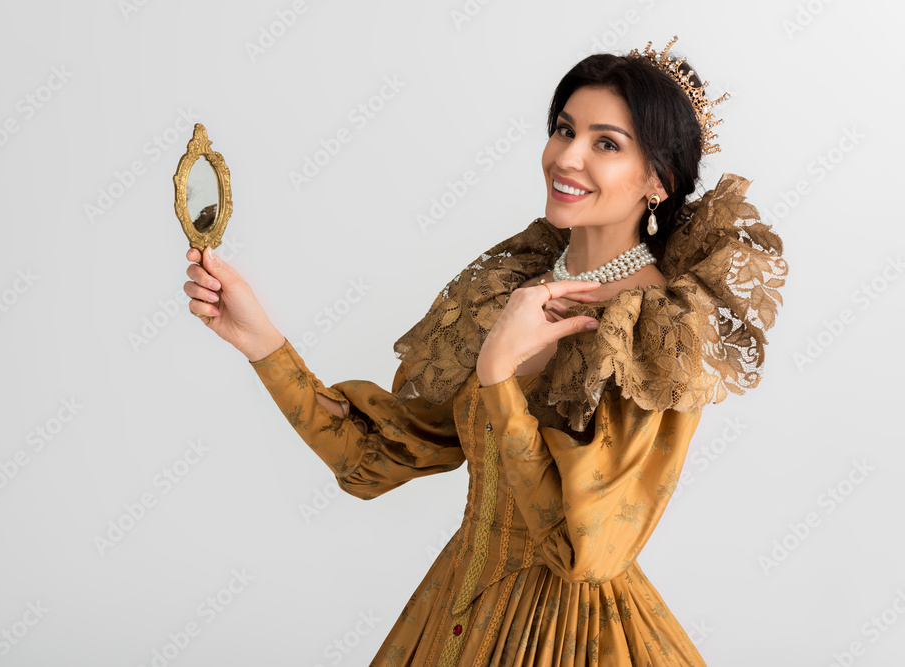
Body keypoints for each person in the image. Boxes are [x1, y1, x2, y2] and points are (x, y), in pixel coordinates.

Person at [182, 37, 788, 666]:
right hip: (454, 610)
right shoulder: (512, 287)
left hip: (571, 638)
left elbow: (589, 551)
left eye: (606, 143)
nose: (567, 156)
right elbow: (377, 456)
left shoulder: (659, 334)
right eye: (563, 129)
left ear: (657, 180)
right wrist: (262, 343)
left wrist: (499, 376)